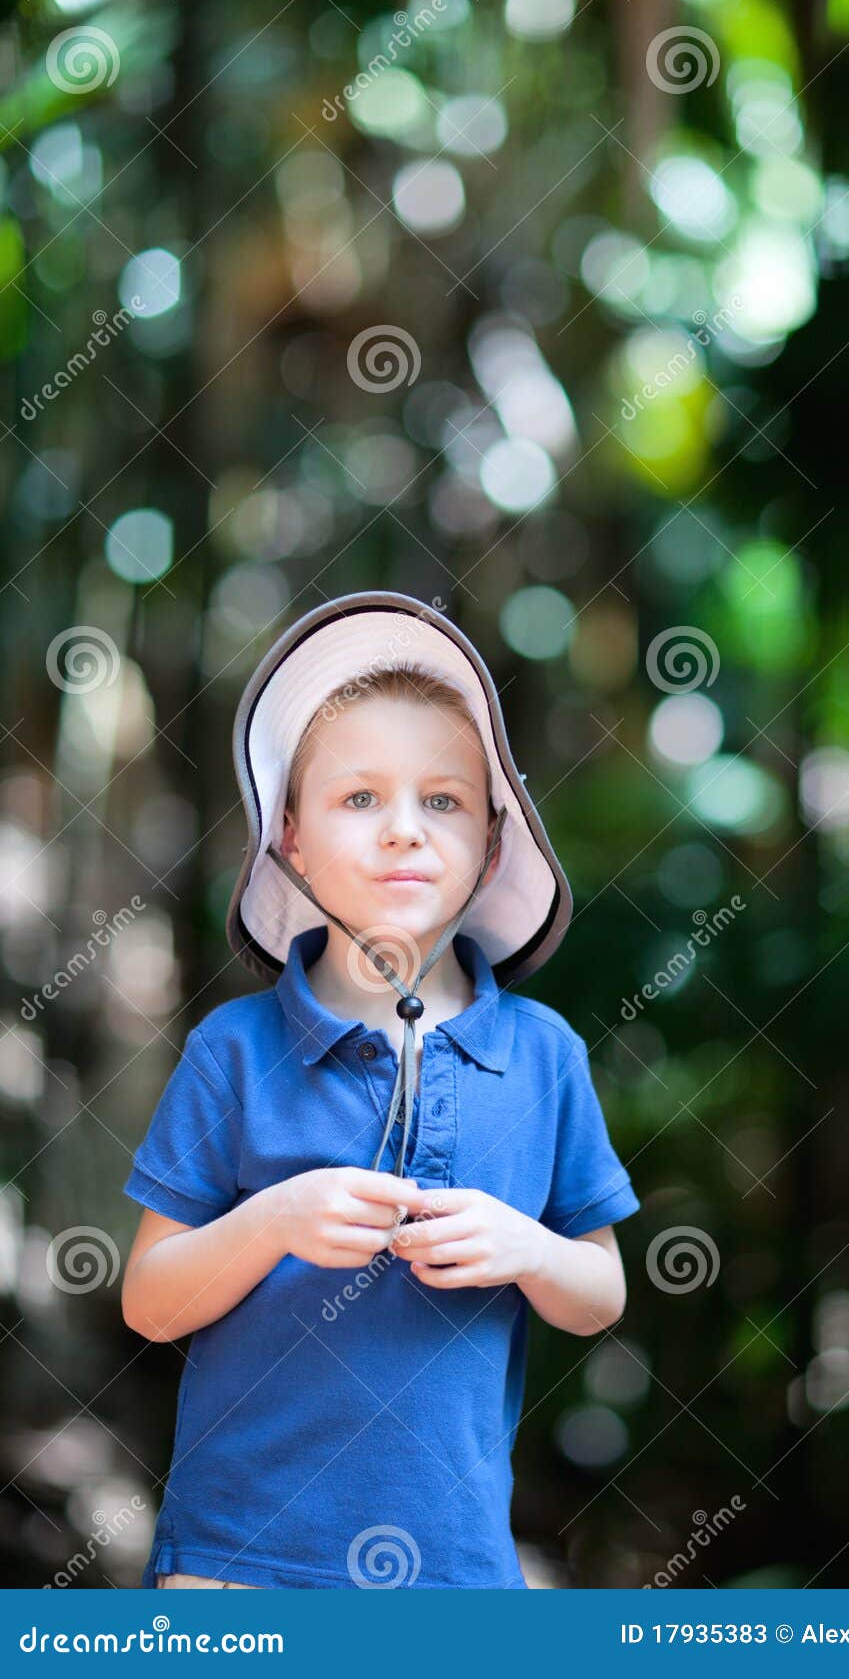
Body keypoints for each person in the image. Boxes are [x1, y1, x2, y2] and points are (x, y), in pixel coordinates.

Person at [121, 591, 641, 1589]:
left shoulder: (544, 1056)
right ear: (291, 840)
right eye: (358, 798)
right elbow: (149, 1300)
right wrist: (273, 1218)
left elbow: (599, 1291)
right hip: (235, 1570)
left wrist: (525, 1248)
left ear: (490, 845)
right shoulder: (233, 1050)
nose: (403, 830)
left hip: (455, 1576)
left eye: (441, 799)